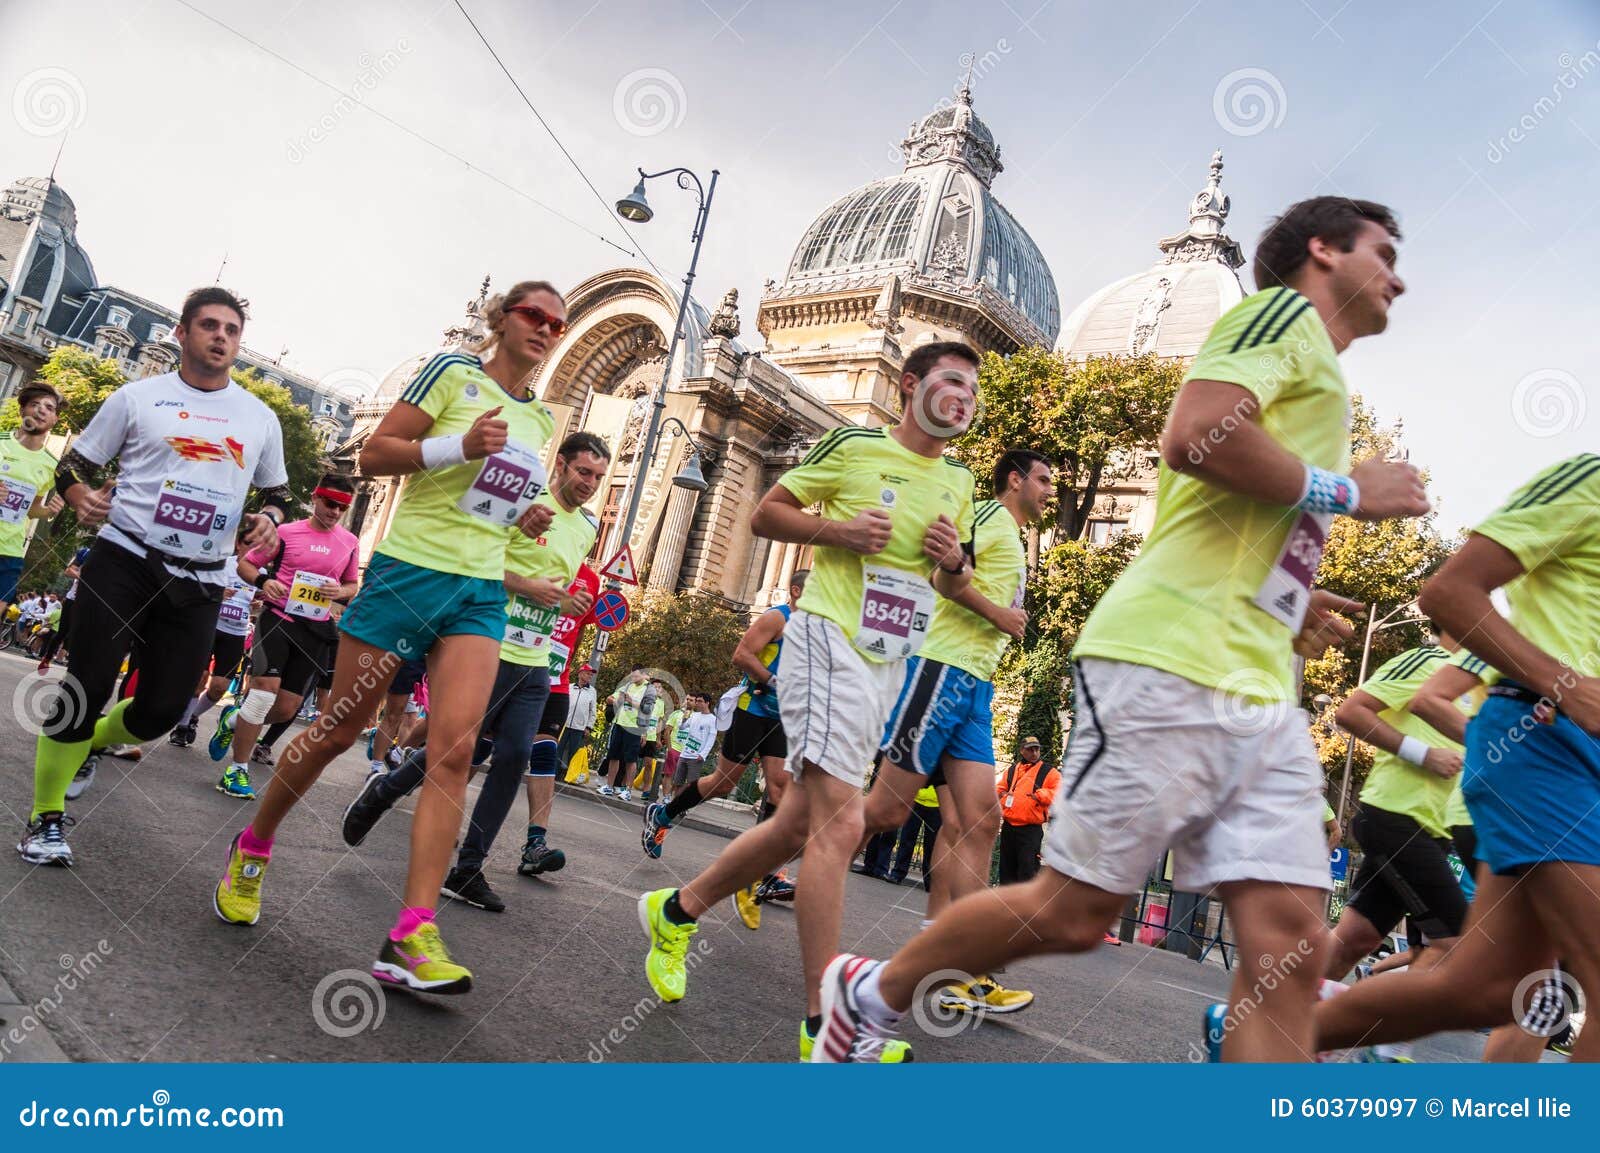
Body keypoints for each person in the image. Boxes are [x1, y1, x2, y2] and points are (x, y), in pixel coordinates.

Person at [810, 197, 1432, 1062]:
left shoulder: (1321, 376)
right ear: (1322, 252)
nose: (1398, 275)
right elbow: (1192, 438)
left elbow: (1240, 515)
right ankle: (868, 989)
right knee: (1071, 912)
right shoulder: (1281, 314)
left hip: (1258, 688)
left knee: (1289, 938)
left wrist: (1294, 598)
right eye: (1384, 252)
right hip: (1164, 659)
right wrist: (1352, 493)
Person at [212, 280, 563, 997]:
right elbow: (375, 455)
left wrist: (524, 517)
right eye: (535, 314)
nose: (548, 328)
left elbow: (498, 496)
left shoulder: (542, 420)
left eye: (558, 322)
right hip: (409, 573)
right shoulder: (452, 373)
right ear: (501, 320)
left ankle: (411, 931)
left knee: (455, 751)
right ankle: (253, 846)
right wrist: (458, 444)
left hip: (479, 588)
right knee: (340, 728)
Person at [638, 339, 980, 1063]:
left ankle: (677, 909)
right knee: (839, 822)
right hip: (825, 644)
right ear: (911, 384)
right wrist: (840, 531)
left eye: (973, 389)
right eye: (952, 381)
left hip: (891, 658)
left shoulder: (960, 481)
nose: (964, 397)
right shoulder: (854, 445)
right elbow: (766, 514)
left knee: (799, 818)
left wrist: (954, 563)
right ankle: (826, 1027)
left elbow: (954, 585)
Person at [1313, 463, 1600, 1060]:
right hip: (1537, 754)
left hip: (1470, 806)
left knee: (1489, 990)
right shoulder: (1589, 481)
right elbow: (1445, 597)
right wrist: (1562, 685)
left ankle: (1266, 1037)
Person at [17, 287, 291, 866]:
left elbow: (277, 492)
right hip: (124, 559)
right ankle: (45, 820)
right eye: (209, 325)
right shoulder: (138, 398)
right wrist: (79, 495)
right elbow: (77, 463)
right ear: (182, 333)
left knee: (161, 710)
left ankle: (88, 744)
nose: (221, 337)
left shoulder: (260, 417)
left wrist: (268, 520)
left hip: (202, 578)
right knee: (86, 685)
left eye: (232, 330)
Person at [339, 431, 606, 910]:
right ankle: (381, 794)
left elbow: (558, 586)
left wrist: (567, 599)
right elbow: (472, 558)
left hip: (533, 658)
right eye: (583, 472)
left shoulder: (586, 528)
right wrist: (527, 585)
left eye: (599, 478)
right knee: (455, 750)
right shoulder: (524, 500)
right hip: (485, 644)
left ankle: (467, 870)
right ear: (561, 465)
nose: (590, 484)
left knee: (514, 755)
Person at [861, 447, 1056, 1017]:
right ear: (1015, 480)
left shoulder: (1015, 537)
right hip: (940, 670)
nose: (1049, 489)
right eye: (1043, 479)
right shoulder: (990, 517)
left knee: (978, 820)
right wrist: (999, 616)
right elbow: (941, 578)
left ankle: (952, 965)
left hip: (975, 686)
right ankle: (767, 860)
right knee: (885, 813)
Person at [641, 569, 810, 915]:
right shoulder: (778, 617)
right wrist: (770, 679)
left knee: (779, 789)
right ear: (795, 590)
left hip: (783, 718)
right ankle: (664, 814)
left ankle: (765, 873)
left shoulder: (816, 628)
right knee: (723, 782)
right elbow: (742, 655)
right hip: (753, 710)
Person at [200, 473, 362, 797]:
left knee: (287, 709)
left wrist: (340, 590)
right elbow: (247, 564)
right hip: (278, 619)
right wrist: (263, 582)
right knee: (262, 694)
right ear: (316, 497)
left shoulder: (350, 542)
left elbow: (352, 586)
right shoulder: (286, 533)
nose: (334, 511)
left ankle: (234, 720)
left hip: (315, 628)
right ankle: (236, 771)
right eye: (330, 503)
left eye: (342, 507)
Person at [165, 539, 259, 774]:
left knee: (219, 687)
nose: (254, 551)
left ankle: (192, 716)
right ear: (238, 545)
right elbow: (197, 589)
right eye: (249, 544)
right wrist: (218, 593)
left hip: (236, 634)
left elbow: (257, 609)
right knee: (200, 677)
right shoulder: (222, 564)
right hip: (210, 626)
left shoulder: (262, 574)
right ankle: (182, 727)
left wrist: (258, 605)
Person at [0, 383, 66, 620]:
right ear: (22, 411)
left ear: (55, 419)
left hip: (10, 550)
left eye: (49, 407)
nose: (41, 410)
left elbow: (31, 509)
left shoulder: (50, 466)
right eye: (34, 404)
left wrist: (48, 510)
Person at [996, 736, 1058, 885]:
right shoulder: (1012, 770)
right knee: (1006, 869)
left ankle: (1023, 907)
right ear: (1022, 751)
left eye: (1036, 749)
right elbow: (999, 789)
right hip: (1009, 827)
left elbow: (1059, 793)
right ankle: (1005, 903)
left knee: (1027, 870)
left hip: (1030, 830)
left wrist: (1040, 795)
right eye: (1030, 749)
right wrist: (1004, 796)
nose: (1034, 752)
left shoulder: (1049, 772)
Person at [37, 541, 91, 672]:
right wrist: (84, 576)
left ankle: (72, 672)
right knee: (62, 632)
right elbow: (68, 571)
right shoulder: (86, 553)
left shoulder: (116, 559)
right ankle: (47, 658)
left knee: (81, 635)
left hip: (91, 602)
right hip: (73, 600)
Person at [599, 666, 650, 799]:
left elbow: (647, 709)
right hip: (619, 724)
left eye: (636, 676)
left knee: (630, 759)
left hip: (634, 727)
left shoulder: (648, 689)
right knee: (614, 756)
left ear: (644, 675)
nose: (633, 678)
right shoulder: (627, 686)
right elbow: (609, 699)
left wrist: (631, 702)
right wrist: (618, 700)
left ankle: (627, 790)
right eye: (632, 675)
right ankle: (609, 787)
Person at [561, 661, 598, 772]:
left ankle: (569, 774)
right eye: (588, 673)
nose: (590, 676)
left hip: (579, 727)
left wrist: (589, 727)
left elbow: (593, 711)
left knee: (574, 752)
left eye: (591, 675)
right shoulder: (570, 687)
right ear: (580, 674)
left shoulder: (592, 691)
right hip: (565, 725)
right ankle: (555, 772)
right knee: (559, 749)